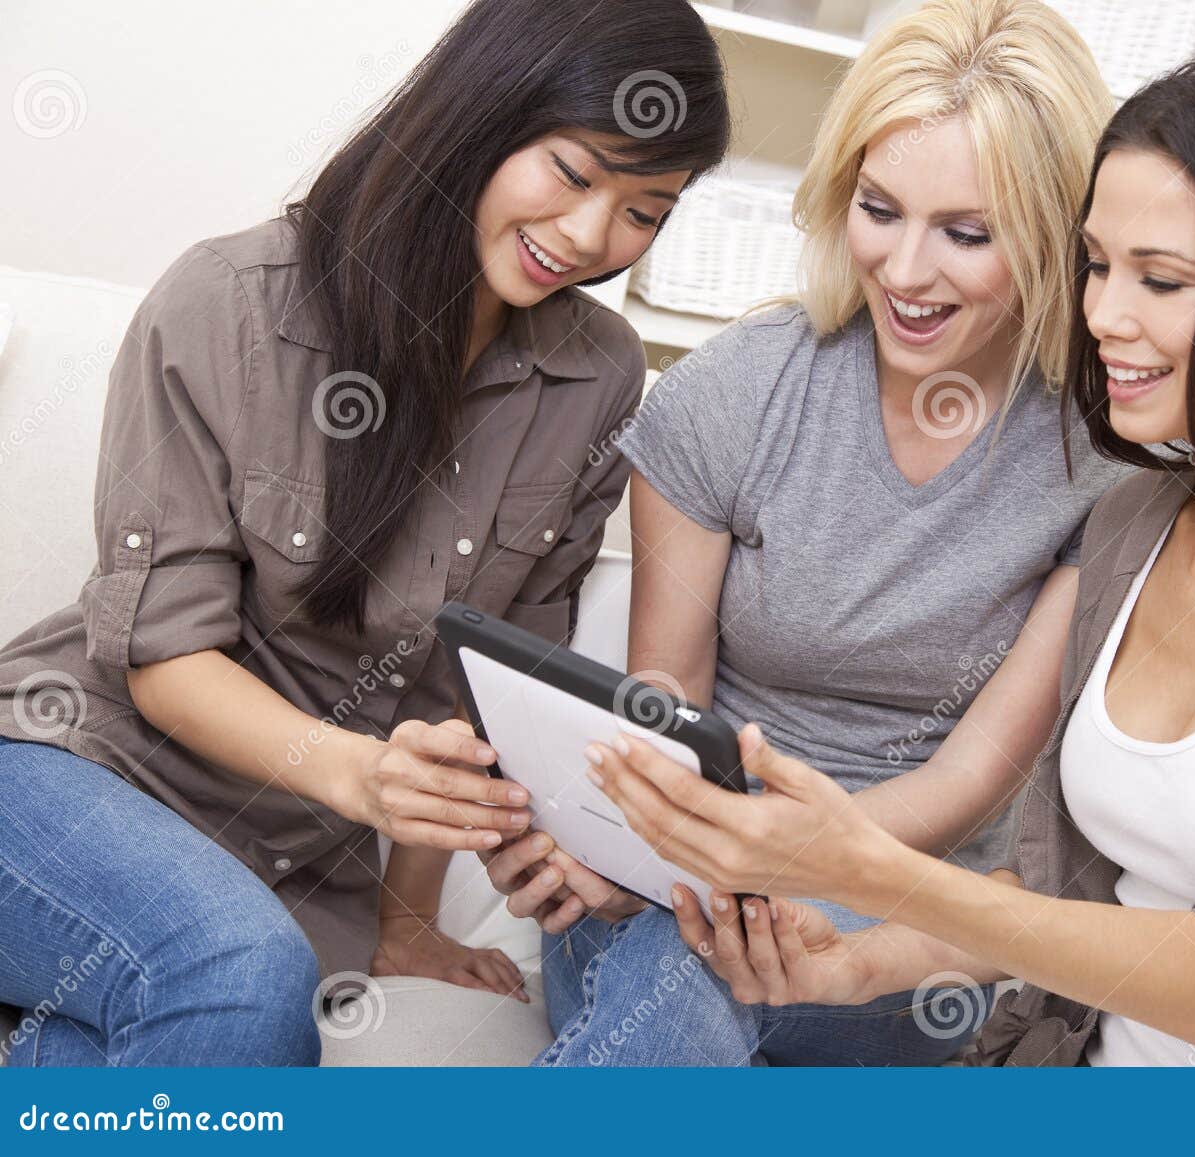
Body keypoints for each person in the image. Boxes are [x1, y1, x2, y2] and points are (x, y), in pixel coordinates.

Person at [584, 55, 1195, 1067]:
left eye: (1160, 280)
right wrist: (858, 965)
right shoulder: (1140, 517)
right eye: (1097, 265)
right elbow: (1055, 895)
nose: (1102, 316)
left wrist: (867, 871)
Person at [0, 0, 729, 1065]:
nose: (590, 235)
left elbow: (468, 694)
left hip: (285, 871)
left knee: (100, 1060)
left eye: (644, 210)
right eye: (575, 173)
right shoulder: (231, 300)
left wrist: (404, 920)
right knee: (238, 974)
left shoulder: (598, 374)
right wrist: (354, 772)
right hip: (74, 776)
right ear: (480, 113)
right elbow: (162, 656)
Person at [481, 0, 1129, 1066]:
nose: (905, 271)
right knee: (689, 956)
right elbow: (666, 706)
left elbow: (975, 777)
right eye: (879, 209)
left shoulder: (1098, 458)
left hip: (904, 910)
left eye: (966, 234)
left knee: (703, 958)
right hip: (687, 862)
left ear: (1061, 235)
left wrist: (788, 862)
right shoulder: (739, 390)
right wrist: (679, 846)